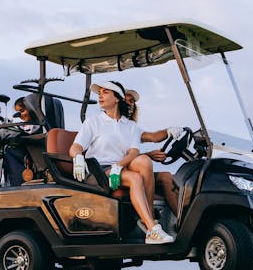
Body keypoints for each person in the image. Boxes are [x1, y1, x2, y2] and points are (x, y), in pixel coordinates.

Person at [70, 81, 175, 244]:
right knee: (135, 178)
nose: (100, 96)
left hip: (120, 168)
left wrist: (118, 166)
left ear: (117, 98)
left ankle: (150, 225)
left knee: (144, 161)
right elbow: (76, 146)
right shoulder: (93, 122)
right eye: (99, 93)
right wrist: (77, 156)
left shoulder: (131, 126)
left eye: (105, 92)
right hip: (99, 171)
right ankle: (152, 227)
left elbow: (134, 151)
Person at [126, 89, 181, 213]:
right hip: (120, 170)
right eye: (126, 101)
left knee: (167, 177)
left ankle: (184, 223)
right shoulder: (111, 126)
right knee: (145, 163)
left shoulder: (132, 128)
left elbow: (153, 136)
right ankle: (149, 219)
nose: (130, 104)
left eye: (132, 102)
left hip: (135, 167)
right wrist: (149, 155)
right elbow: (119, 156)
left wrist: (168, 131)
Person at [0, 97, 41, 186]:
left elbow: (27, 131)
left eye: (22, 111)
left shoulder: (35, 125)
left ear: (31, 108)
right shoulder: (30, 125)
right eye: (18, 113)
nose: (20, 115)